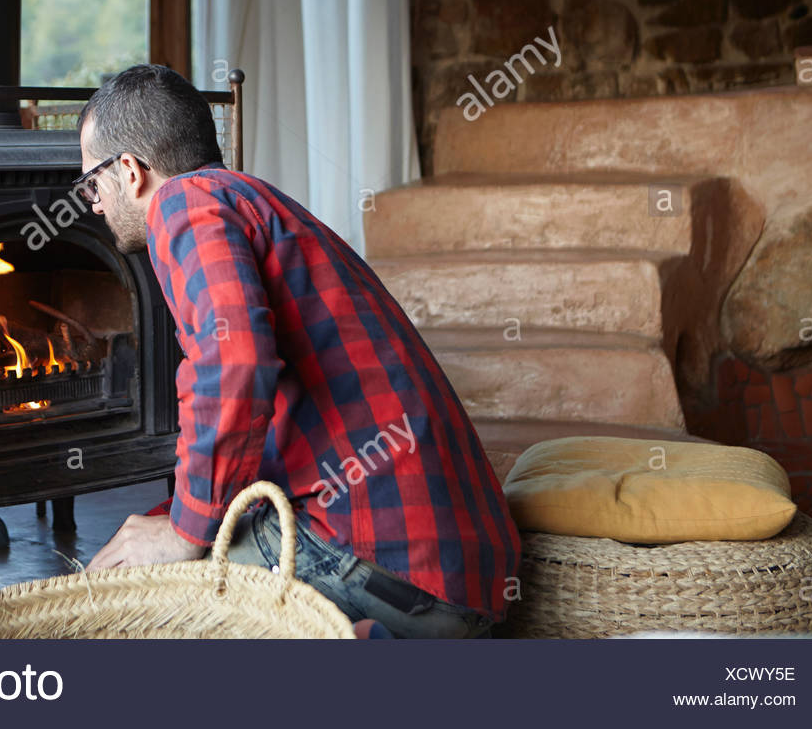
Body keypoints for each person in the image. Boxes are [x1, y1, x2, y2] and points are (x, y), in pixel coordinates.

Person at [79, 64, 520, 638]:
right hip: (465, 578)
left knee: (131, 616)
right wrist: (172, 519)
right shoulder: (250, 199)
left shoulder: (183, 205)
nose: (92, 205)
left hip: (385, 570)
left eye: (92, 183)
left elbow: (232, 364)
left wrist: (183, 533)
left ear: (131, 172)